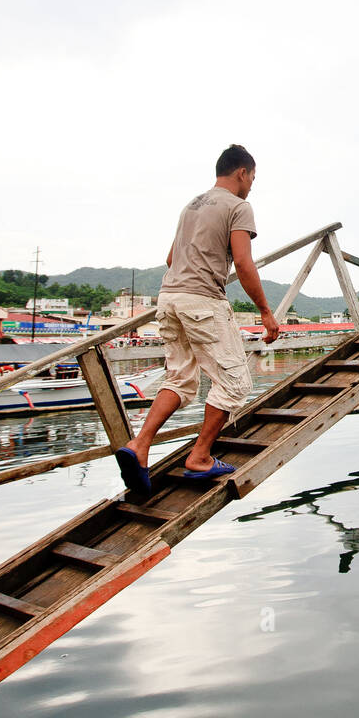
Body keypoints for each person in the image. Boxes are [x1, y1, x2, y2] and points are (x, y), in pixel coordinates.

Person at [115, 144, 279, 498]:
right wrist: (266, 312)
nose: (251, 185)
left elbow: (171, 256)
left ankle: (139, 445)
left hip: (169, 298)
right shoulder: (239, 206)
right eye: (252, 177)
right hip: (202, 300)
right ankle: (201, 456)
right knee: (235, 383)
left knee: (181, 379)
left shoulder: (192, 205)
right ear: (242, 173)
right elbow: (244, 262)